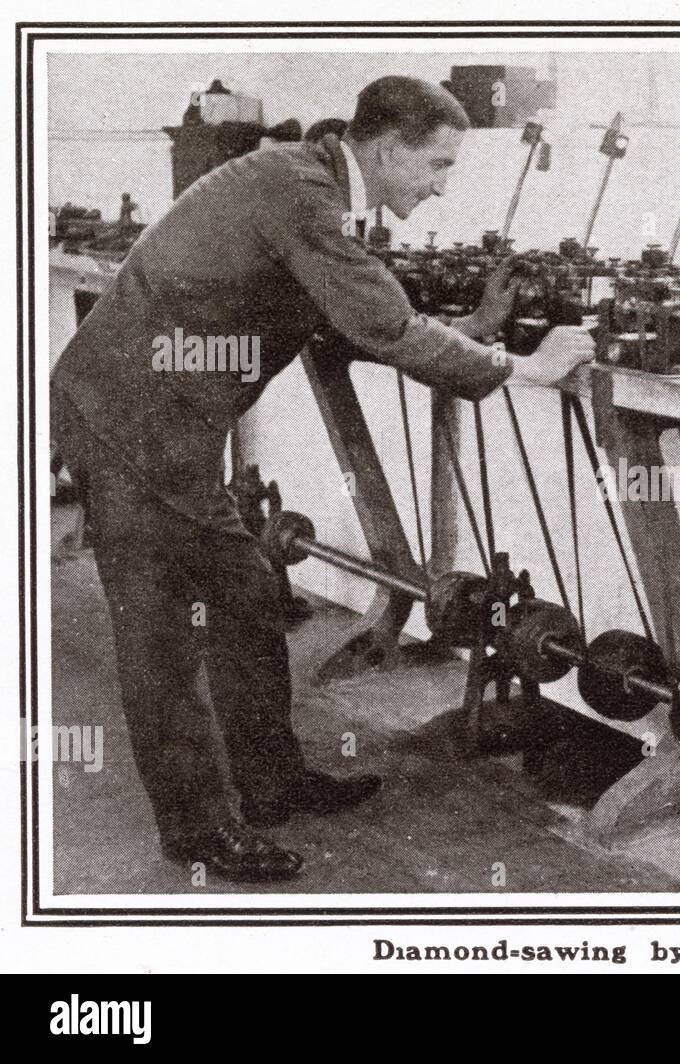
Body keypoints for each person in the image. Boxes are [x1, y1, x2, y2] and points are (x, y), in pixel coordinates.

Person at [51, 75, 594, 883]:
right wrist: (525, 368)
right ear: (382, 149)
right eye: (436, 165)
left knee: (243, 591)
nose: (441, 185)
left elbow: (357, 313)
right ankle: (200, 831)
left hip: (167, 424)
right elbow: (382, 323)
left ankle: (270, 784)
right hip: (129, 424)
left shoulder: (307, 187)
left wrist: (475, 329)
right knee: (161, 636)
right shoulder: (300, 193)